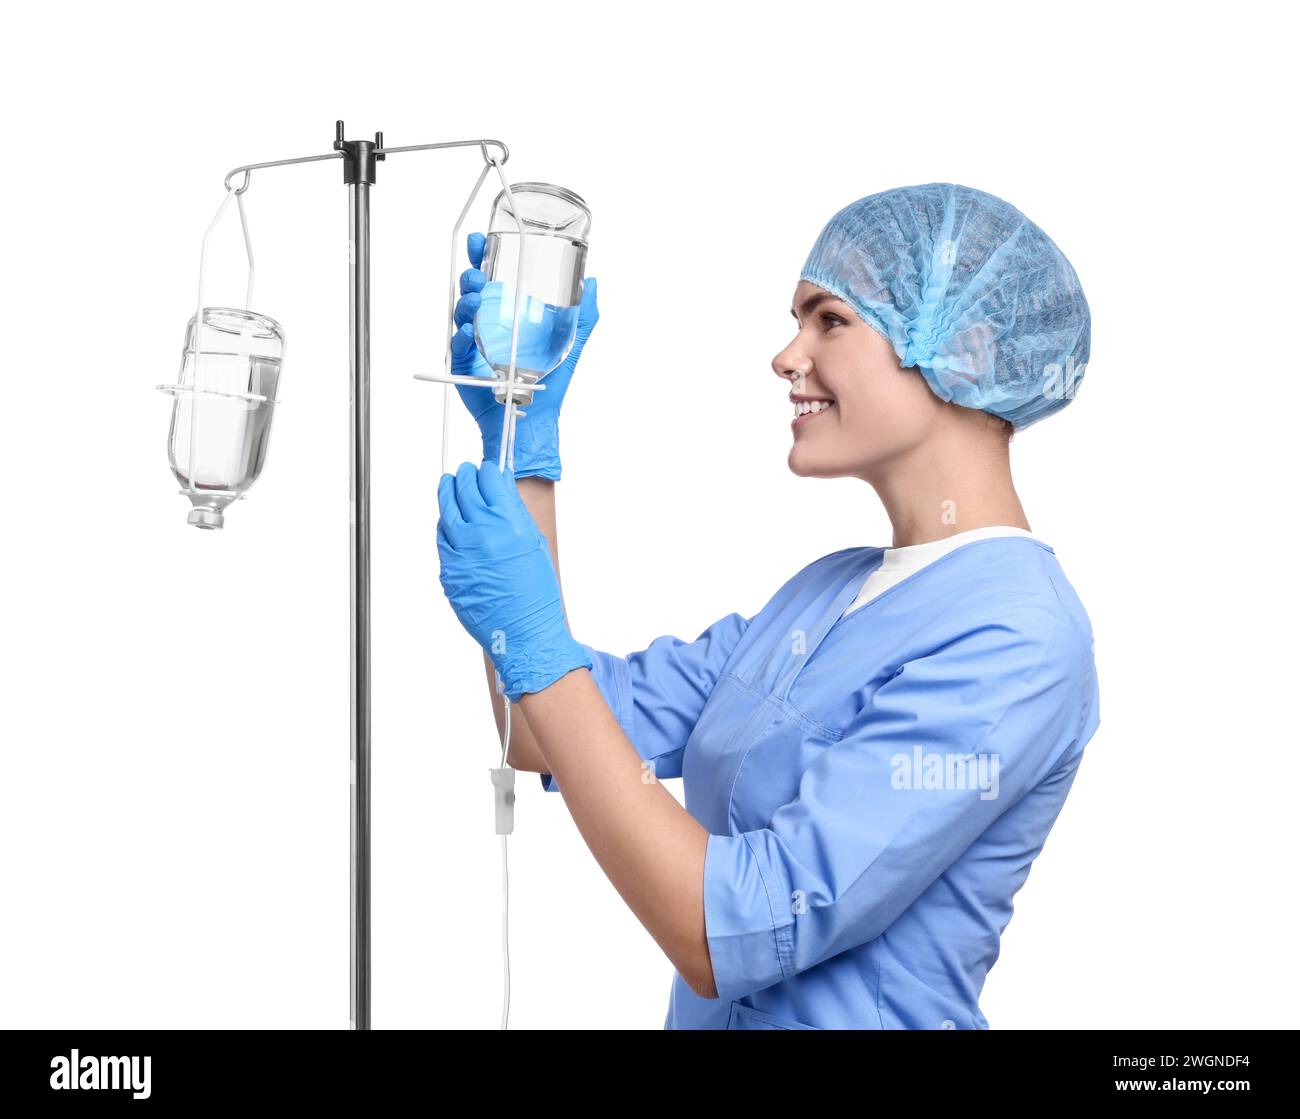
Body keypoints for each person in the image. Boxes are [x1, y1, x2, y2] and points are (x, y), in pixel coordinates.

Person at [437, 182, 1098, 1030]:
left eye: (830, 320)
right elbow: (541, 727)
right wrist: (521, 435)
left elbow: (729, 932)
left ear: (964, 348)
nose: (787, 357)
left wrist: (527, 633)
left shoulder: (1019, 637)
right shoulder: (827, 593)